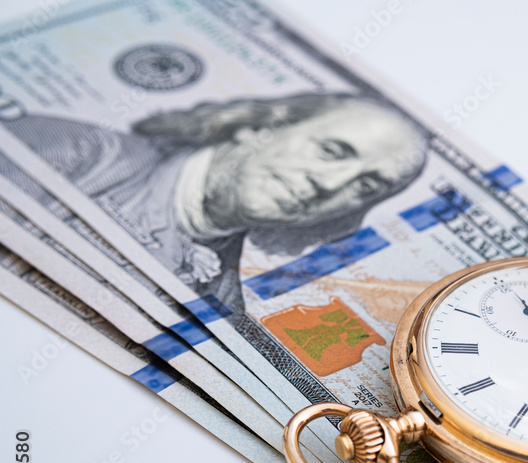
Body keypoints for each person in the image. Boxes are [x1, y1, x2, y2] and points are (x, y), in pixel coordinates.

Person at [3, 92, 429, 318]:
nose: (329, 184)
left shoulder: (221, 305)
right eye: (332, 152)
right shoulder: (67, 151)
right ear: (260, 128)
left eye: (367, 186)